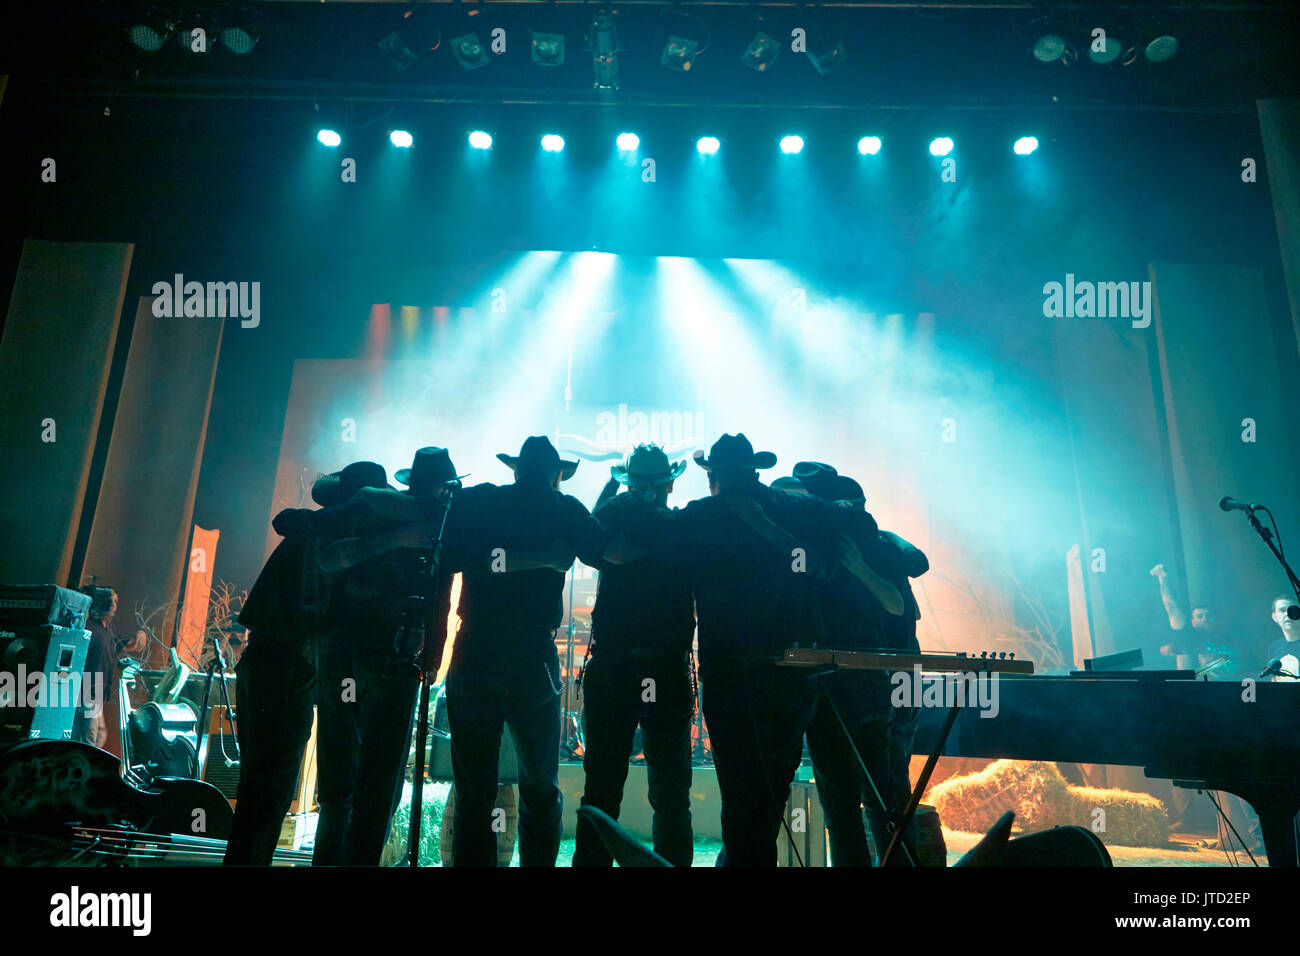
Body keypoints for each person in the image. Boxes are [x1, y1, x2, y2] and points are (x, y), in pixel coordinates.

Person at [618, 434, 902, 866]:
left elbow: (638, 529)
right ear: (755, 472)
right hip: (791, 674)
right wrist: (827, 514)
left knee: (740, 793)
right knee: (772, 791)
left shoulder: (702, 517)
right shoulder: (793, 508)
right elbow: (857, 533)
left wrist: (638, 491)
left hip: (729, 676)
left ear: (712, 476)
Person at [439, 436, 636, 867]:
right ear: (557, 474)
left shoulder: (485, 501)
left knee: (475, 788)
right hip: (530, 656)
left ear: (515, 469)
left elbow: (461, 557)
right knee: (539, 786)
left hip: (474, 650)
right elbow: (613, 552)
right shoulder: (563, 509)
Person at [223, 460, 389, 866]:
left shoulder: (311, 530)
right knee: (270, 785)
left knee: (262, 787)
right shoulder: (327, 536)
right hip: (284, 667)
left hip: (271, 663)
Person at [310, 450, 462, 867]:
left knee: (357, 779)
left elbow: (440, 592)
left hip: (364, 654)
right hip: (377, 657)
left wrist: (432, 649)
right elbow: (328, 559)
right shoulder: (386, 516)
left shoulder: (419, 521)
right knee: (372, 779)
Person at [573, 444, 696, 868]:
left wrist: (618, 492)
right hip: (664, 666)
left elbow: (586, 535)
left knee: (602, 786)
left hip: (614, 666)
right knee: (671, 792)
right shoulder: (682, 525)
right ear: (670, 482)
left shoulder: (614, 515)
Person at [1265, 593, 1300, 681]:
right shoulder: (1274, 648)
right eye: (1282, 610)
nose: (1287, 614)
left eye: (1292, 610)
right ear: (1274, 616)